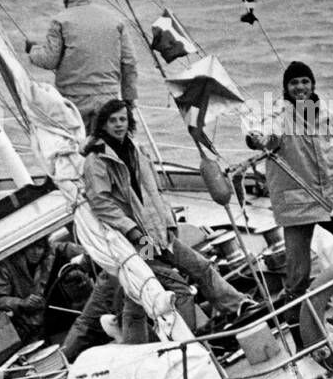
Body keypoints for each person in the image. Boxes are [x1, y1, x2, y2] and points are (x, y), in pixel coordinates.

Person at [82, 98, 252, 342]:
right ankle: (188, 343)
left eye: (123, 119)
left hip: (159, 233)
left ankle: (235, 305)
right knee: (173, 287)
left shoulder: (137, 149)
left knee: (199, 266)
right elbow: (102, 203)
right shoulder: (97, 160)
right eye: (112, 120)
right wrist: (132, 232)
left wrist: (168, 221)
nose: (119, 125)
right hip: (140, 242)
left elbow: (155, 190)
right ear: (103, 125)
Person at [244, 60, 333, 303]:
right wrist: (257, 139)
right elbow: (266, 135)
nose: (299, 87)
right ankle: (294, 321)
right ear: (285, 88)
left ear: (313, 84)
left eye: (304, 81)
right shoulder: (278, 115)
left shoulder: (327, 116)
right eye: (293, 82)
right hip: (297, 206)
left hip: (330, 200)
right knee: (298, 277)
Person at [26, 0, 138, 131]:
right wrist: (128, 98)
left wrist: (32, 50)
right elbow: (129, 62)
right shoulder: (115, 19)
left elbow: (49, 60)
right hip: (108, 98)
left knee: (79, 148)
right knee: (107, 146)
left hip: (74, 100)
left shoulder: (61, 20)